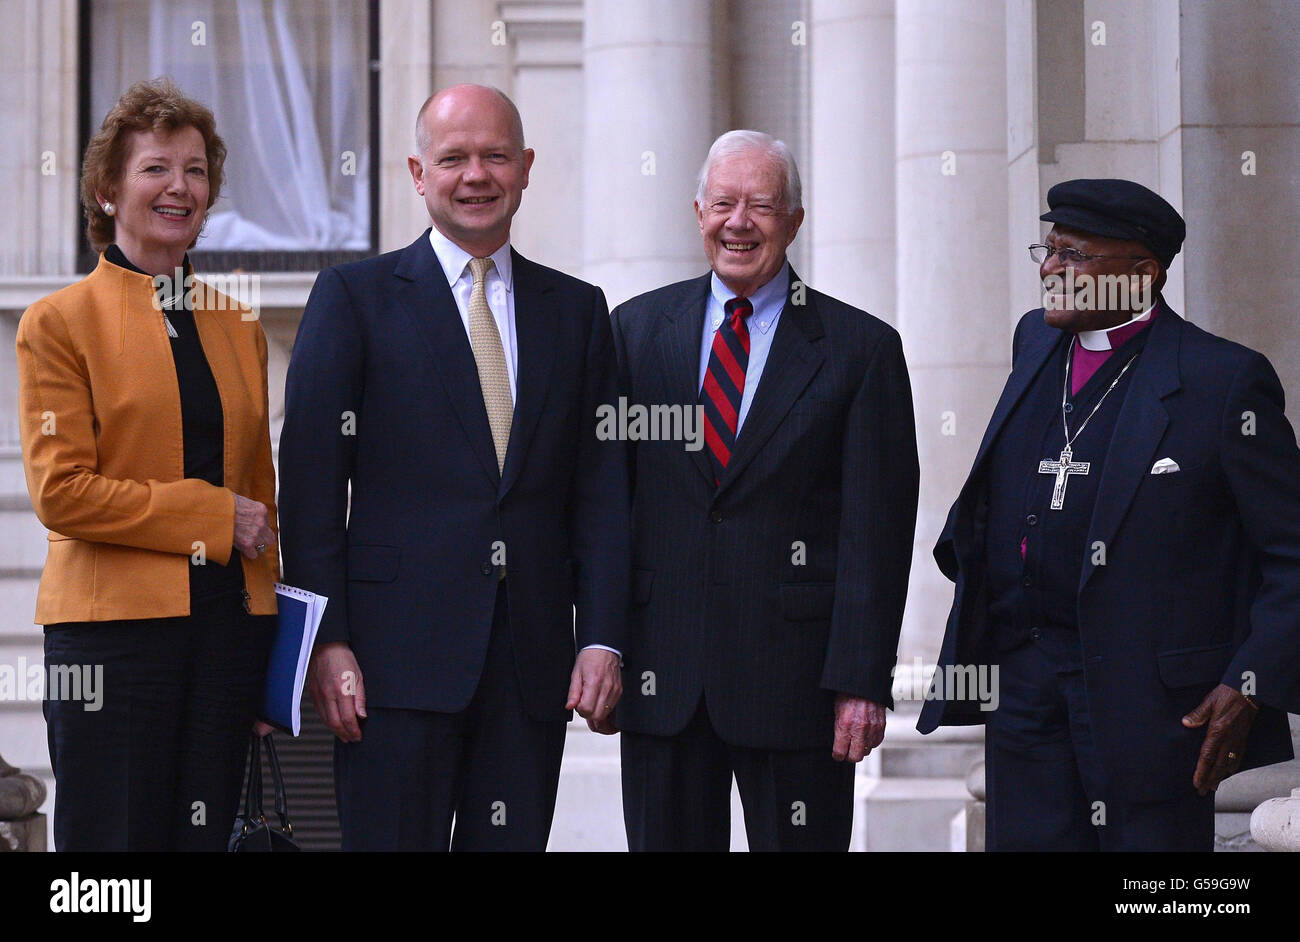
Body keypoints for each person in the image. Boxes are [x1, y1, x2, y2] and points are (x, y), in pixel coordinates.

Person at [278, 84, 629, 851]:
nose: (476, 175)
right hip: (386, 668)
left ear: (526, 167)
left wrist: (602, 636)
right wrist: (325, 640)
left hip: (530, 672)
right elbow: (308, 489)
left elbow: (602, 493)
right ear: (417, 172)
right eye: (454, 158)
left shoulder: (576, 311)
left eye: (495, 156)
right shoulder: (352, 299)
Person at [918, 178, 1300, 851]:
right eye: (1049, 250)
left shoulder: (1222, 380)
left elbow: (1290, 552)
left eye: (1074, 255)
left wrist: (1250, 681)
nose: (1050, 269)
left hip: (1152, 706)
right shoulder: (1034, 344)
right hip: (1026, 689)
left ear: (1143, 272)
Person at [610, 130, 919, 851]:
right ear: (697, 212)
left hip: (799, 686)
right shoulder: (632, 332)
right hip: (662, 678)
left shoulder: (861, 350)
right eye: (723, 203)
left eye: (760, 205)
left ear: (795, 220)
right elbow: (603, 507)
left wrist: (861, 680)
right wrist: (599, 645)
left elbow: (875, 531)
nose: (738, 222)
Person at [16, 78, 279, 851]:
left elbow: (262, 502)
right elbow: (61, 492)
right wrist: (212, 517)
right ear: (107, 190)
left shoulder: (239, 326)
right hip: (109, 644)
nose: (181, 187)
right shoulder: (57, 322)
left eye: (196, 171)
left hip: (224, 641)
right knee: (113, 861)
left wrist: (270, 652)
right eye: (157, 168)